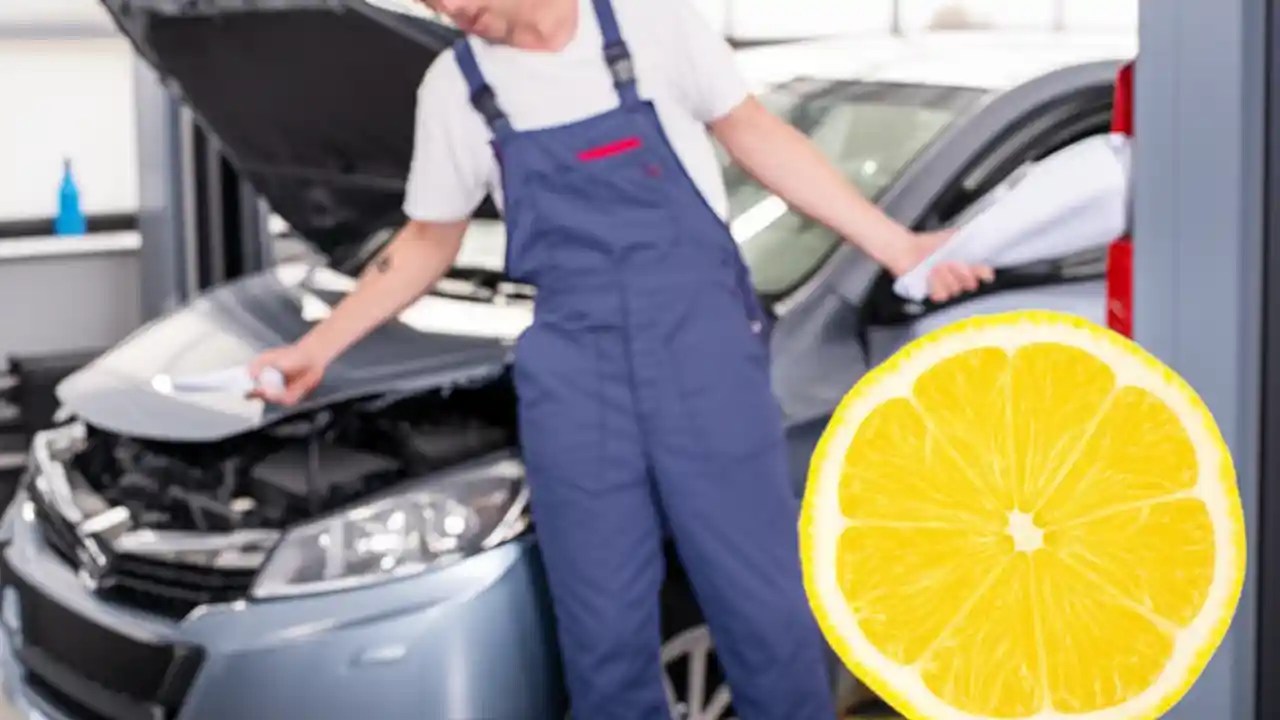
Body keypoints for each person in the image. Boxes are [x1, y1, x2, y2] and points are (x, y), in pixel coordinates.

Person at [250, 0, 990, 716]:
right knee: (600, 633)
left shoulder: (650, 24)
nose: (446, 9)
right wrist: (315, 349)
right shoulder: (458, 88)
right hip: (573, 373)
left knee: (760, 611)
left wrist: (896, 245)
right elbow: (426, 241)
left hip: (703, 354)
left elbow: (759, 136)